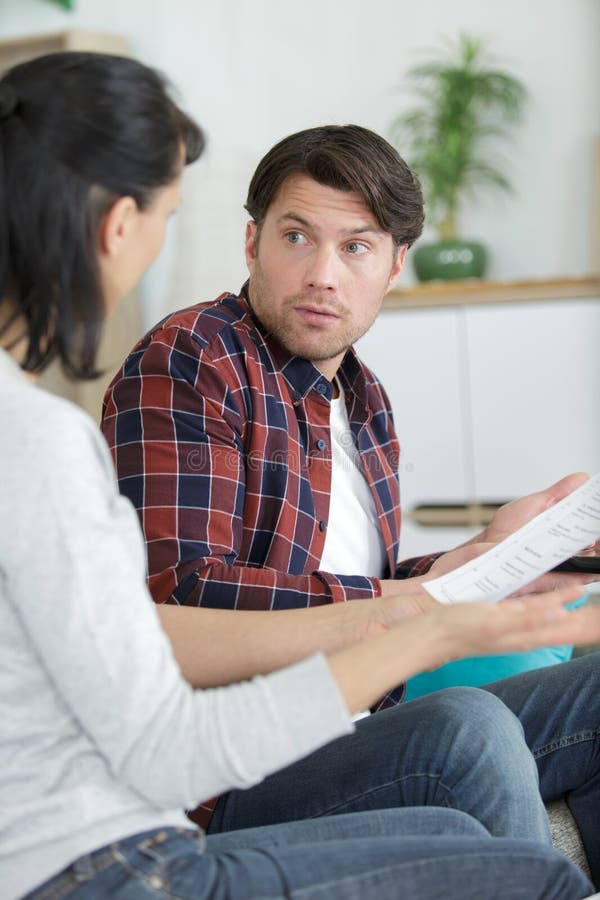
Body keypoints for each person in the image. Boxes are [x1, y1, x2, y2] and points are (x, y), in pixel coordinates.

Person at [3, 51, 598, 900]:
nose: (323, 273)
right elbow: (181, 600)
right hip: (227, 779)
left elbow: (365, 587)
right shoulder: (188, 361)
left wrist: (482, 561)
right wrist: (415, 617)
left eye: (355, 247)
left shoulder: (364, 397)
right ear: (248, 240)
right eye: (295, 238)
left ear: (394, 266)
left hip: (357, 717)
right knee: (466, 730)